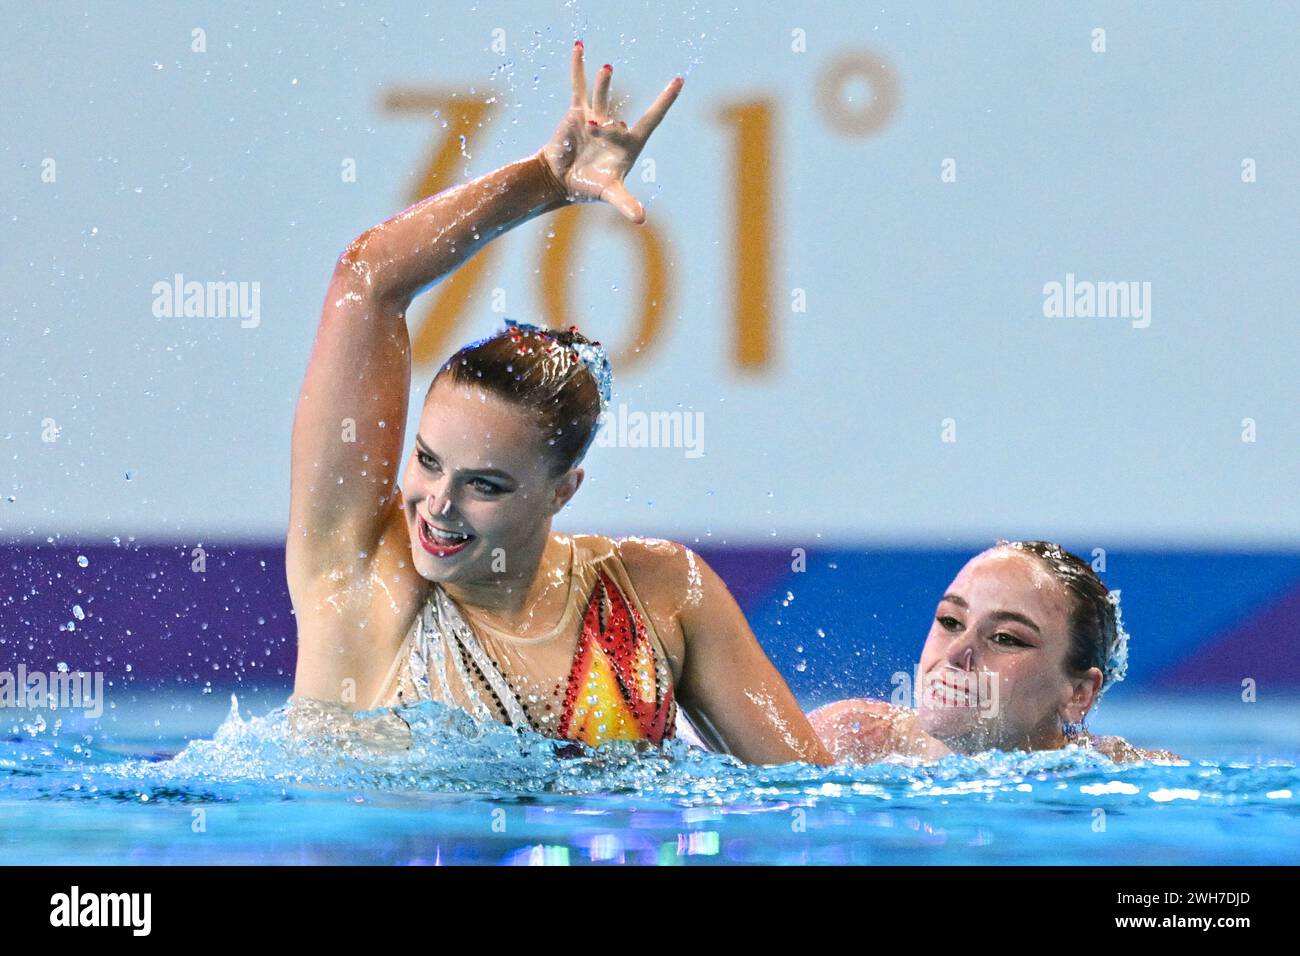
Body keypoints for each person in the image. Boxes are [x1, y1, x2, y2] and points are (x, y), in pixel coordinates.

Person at [286, 39, 832, 766]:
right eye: (427, 462)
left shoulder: (661, 593)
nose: (436, 504)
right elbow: (367, 282)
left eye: (485, 484)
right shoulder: (358, 572)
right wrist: (544, 181)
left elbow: (802, 794)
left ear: (563, 491)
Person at [809, 541, 1180, 763]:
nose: (957, 653)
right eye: (950, 621)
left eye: (1004, 638)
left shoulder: (1126, 782)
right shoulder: (850, 740)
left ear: (1078, 693)